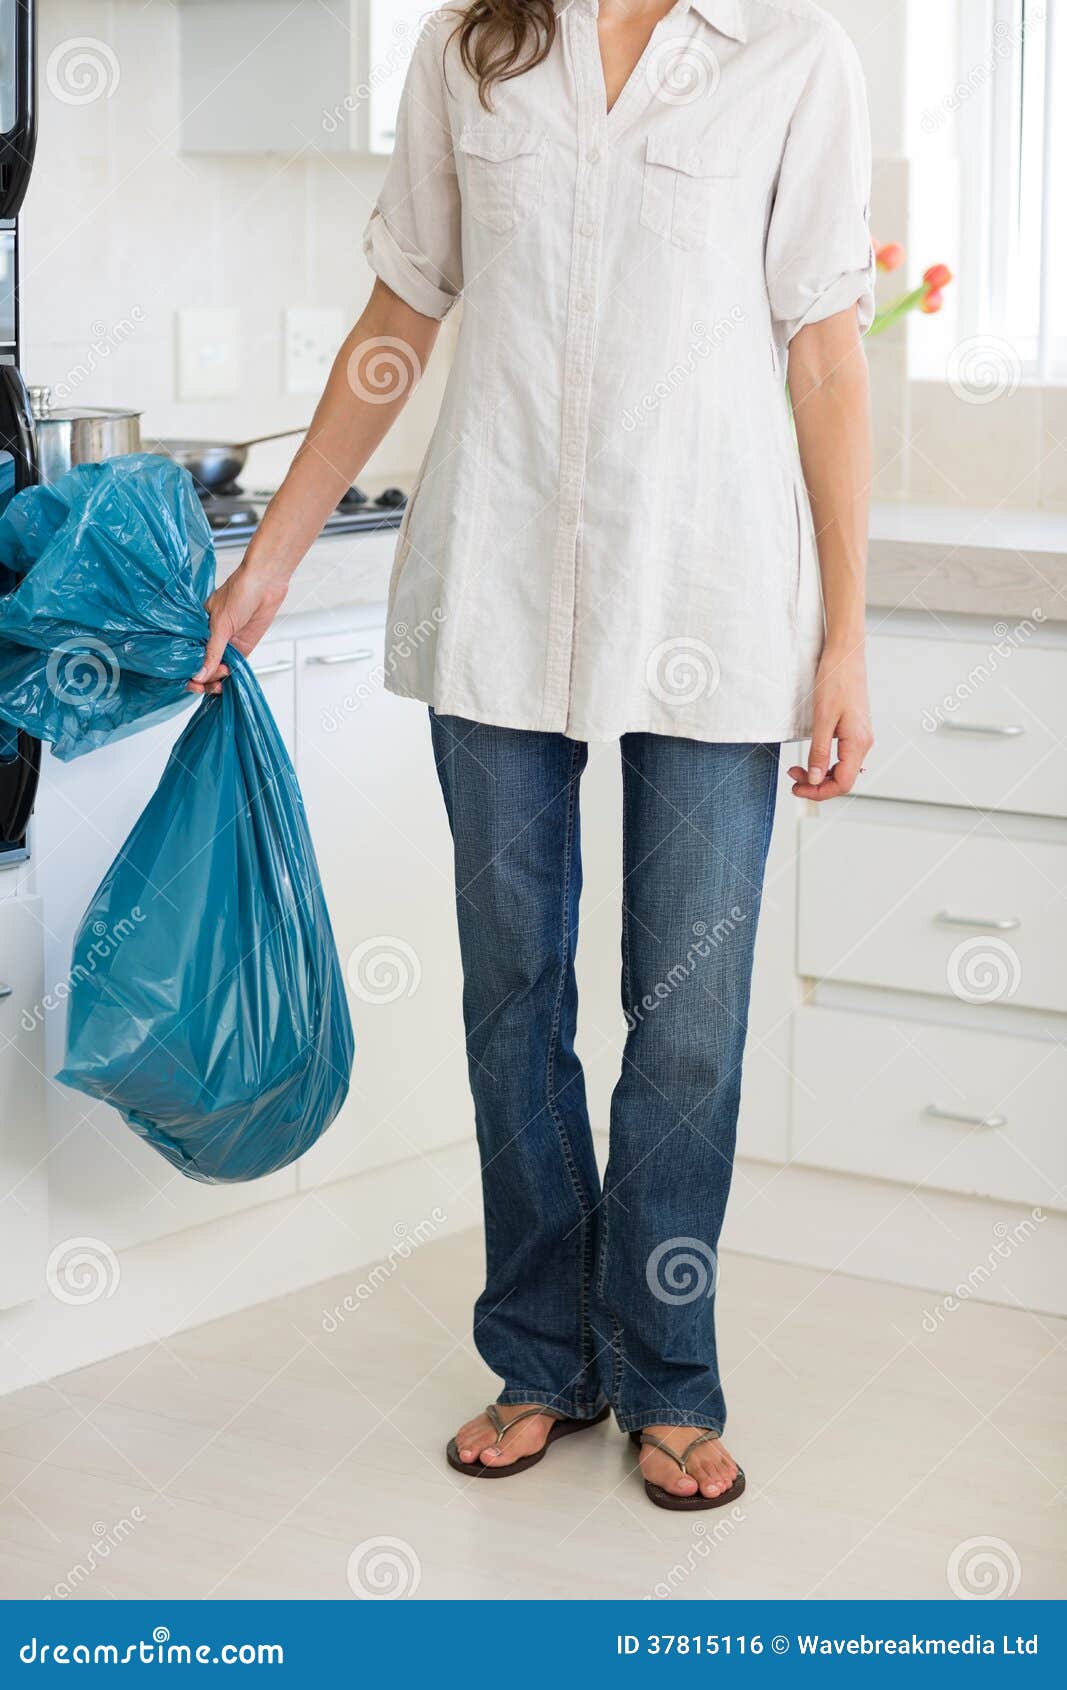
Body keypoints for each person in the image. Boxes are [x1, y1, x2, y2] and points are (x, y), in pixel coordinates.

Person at [194, 0, 875, 1511]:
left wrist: (845, 634)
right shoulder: (471, 48)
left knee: (686, 1017)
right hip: (496, 578)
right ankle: (542, 1353)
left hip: (709, 588)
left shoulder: (791, 55)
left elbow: (825, 354)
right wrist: (276, 560)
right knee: (512, 991)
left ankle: (669, 1374)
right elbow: (399, 322)